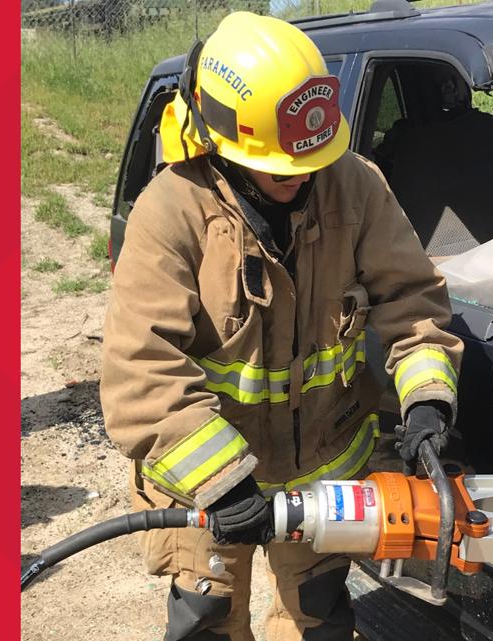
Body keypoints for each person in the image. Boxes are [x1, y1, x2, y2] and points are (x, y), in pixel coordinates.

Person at [101, 11, 463, 641]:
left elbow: (412, 300)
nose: (301, 178)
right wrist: (221, 482)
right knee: (207, 621)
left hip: (322, 478)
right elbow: (141, 370)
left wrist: (428, 401)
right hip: (207, 490)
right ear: (225, 141)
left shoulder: (353, 186)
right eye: (281, 166)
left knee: (321, 620)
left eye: (312, 160)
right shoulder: (171, 210)